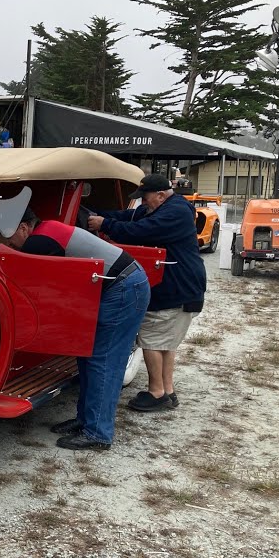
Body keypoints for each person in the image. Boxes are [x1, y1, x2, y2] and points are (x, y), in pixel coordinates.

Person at [6, 208, 150, 451]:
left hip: (122, 289)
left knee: (103, 361)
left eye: (11, 240)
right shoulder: (48, 228)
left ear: (23, 228)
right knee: (86, 356)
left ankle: (98, 433)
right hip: (123, 284)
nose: (13, 246)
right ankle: (86, 421)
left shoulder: (39, 241)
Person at [88, 174, 207, 412]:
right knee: (166, 342)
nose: (142, 203)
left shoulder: (173, 214)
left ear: (161, 195)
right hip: (184, 287)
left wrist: (105, 225)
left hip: (176, 288)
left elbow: (141, 230)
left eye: (145, 198)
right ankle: (168, 391)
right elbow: (129, 216)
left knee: (152, 338)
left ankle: (156, 393)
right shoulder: (166, 207)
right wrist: (97, 214)